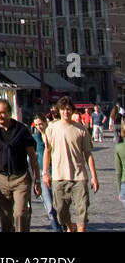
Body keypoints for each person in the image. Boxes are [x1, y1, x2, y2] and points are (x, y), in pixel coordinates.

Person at [0, 98, 41, 232]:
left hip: (20, 178)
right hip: (1, 180)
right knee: (5, 218)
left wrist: (37, 180)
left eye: (2, 112)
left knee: (20, 213)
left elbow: (33, 157)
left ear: (9, 112)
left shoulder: (22, 130)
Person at [44, 96, 98, 232]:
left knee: (82, 210)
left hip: (79, 176)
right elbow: (47, 151)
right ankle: (69, 226)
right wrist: (45, 173)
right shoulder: (52, 128)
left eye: (68, 109)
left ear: (72, 110)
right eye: (63, 109)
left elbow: (88, 154)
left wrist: (94, 177)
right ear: (59, 111)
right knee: (60, 210)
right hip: (59, 176)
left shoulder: (81, 129)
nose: (65, 112)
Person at [29, 115, 62, 232]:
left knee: (61, 204)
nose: (39, 127)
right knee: (49, 205)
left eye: (40, 124)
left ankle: (64, 222)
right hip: (43, 173)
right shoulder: (35, 138)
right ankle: (57, 228)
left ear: (45, 122)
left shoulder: (54, 136)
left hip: (57, 172)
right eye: (36, 125)